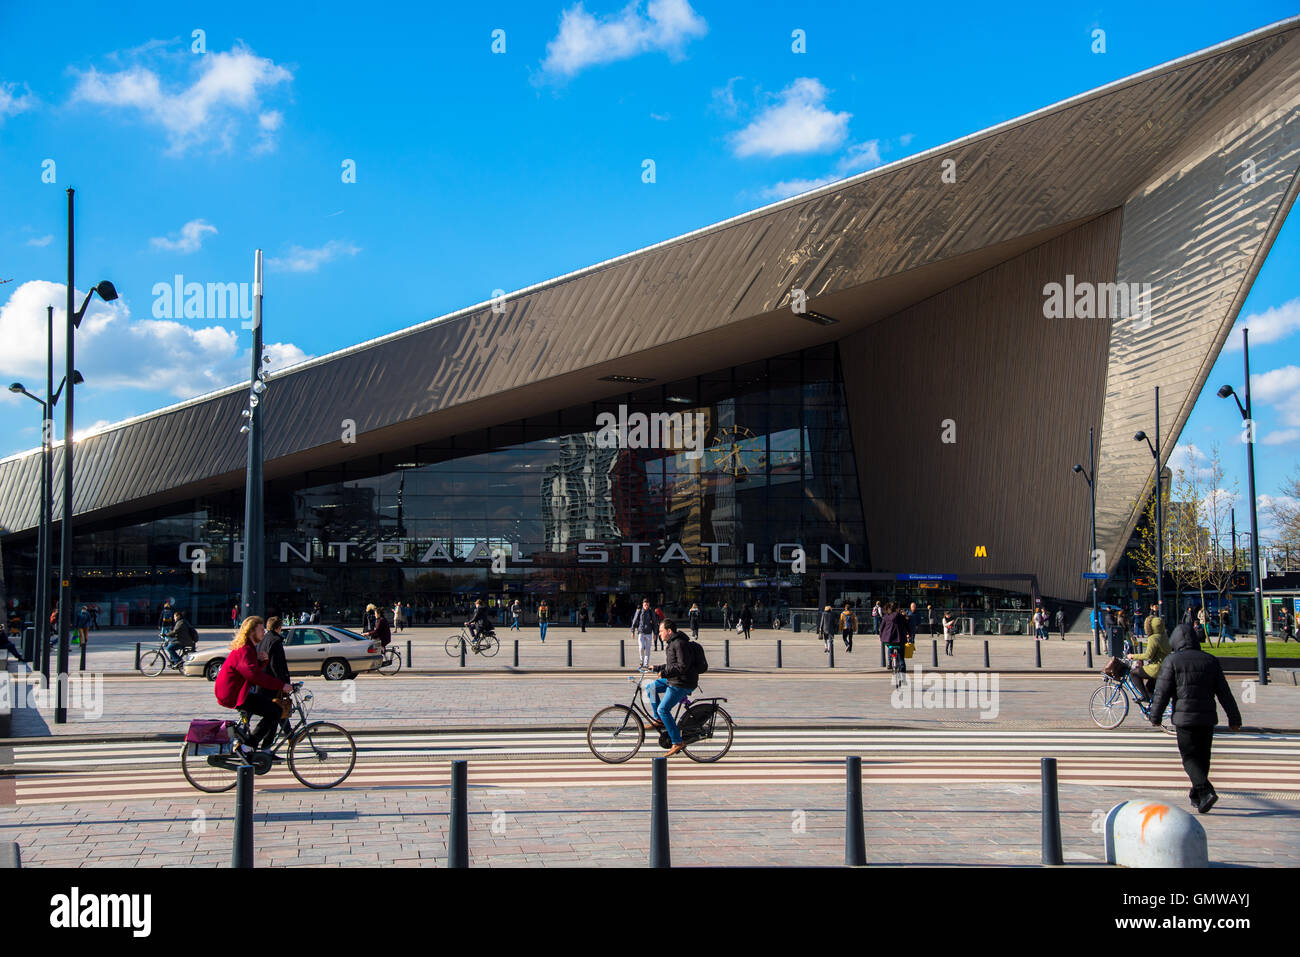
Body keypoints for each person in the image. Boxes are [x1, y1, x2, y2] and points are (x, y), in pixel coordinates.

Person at [1149, 623, 1242, 814]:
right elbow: (1224, 692)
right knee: (1203, 757)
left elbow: (1162, 692)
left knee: (1189, 758)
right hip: (1207, 717)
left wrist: (1155, 716)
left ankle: (1206, 791)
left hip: (1184, 719)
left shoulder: (1172, 661)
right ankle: (1198, 796)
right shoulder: (1210, 660)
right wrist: (1234, 718)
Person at [214, 617, 293, 754]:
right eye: (261, 630)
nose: (264, 632)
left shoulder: (248, 648)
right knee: (275, 711)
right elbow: (253, 676)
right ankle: (248, 746)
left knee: (273, 710)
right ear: (251, 631)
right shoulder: (245, 649)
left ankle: (252, 746)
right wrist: (281, 685)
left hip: (237, 692)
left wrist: (261, 662)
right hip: (233, 694)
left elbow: (250, 671)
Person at [646, 618, 706, 758]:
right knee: (650, 687)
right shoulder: (673, 643)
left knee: (663, 709)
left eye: (661, 631)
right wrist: (657, 668)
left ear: (669, 631)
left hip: (682, 682)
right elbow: (673, 664)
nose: (659, 634)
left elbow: (682, 666)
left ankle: (677, 742)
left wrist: (665, 673)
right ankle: (660, 720)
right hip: (674, 679)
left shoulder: (679, 644)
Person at [250, 616, 293, 755]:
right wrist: (284, 684)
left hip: (263, 683)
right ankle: (257, 746)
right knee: (274, 713)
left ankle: (288, 736)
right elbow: (277, 666)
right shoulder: (275, 641)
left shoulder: (263, 639)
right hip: (271, 683)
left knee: (276, 712)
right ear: (278, 628)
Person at [1126, 610, 1168, 700]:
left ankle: (1144, 696)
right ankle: (1151, 707)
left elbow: (1148, 655)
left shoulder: (1153, 638)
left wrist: (1133, 656)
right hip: (1164, 667)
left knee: (1133, 674)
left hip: (1156, 668)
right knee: (1149, 687)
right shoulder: (1164, 636)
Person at [879, 601, 908, 673]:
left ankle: (889, 662)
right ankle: (903, 672)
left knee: (890, 647)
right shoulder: (901, 616)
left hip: (888, 640)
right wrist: (909, 634)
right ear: (897, 608)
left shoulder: (886, 617)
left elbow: (881, 628)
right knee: (901, 657)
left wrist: (881, 637)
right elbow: (907, 626)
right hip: (900, 639)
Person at [631, 598, 657, 668]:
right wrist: (632, 631)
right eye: (645, 604)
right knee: (641, 648)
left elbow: (654, 622)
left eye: (647, 604)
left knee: (648, 649)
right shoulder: (639, 611)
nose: (646, 606)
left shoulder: (651, 612)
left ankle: (646, 664)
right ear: (643, 604)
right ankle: (641, 661)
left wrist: (655, 633)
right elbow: (634, 620)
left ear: (649, 605)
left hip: (649, 633)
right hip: (641, 632)